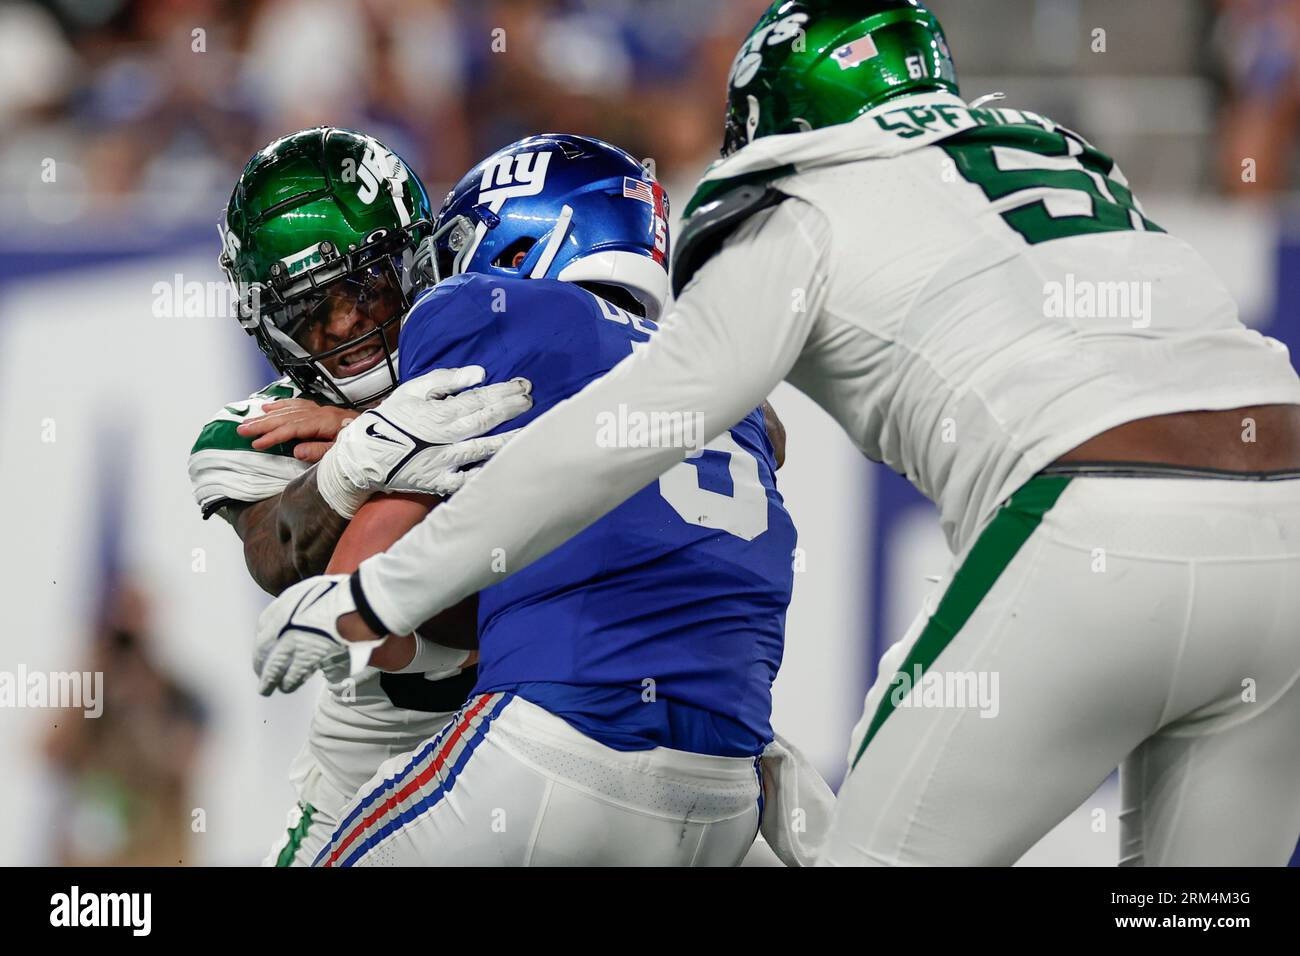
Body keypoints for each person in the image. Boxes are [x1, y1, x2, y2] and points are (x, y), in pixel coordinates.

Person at [260, 2, 1300, 866]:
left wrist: (378, 591)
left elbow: (630, 428)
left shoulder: (794, 194)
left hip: (1094, 512)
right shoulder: (1066, 161)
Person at [259, 134, 824, 867]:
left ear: (518, 247)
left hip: (554, 747)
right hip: (728, 792)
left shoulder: (493, 312)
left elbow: (374, 618)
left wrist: (358, 574)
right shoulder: (733, 396)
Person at [190, 126, 531, 864]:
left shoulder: (506, 328)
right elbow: (281, 553)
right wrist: (357, 461)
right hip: (367, 779)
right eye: (309, 309)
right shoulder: (262, 429)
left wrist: (361, 431)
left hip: (545, 749)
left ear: (413, 263)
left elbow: (748, 422)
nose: (342, 324)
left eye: (360, 285)